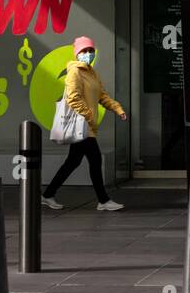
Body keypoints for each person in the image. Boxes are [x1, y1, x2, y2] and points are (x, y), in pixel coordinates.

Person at [41, 36, 128, 211]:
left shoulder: (91, 73)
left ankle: (48, 194)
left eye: (90, 51)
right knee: (94, 160)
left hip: (86, 126)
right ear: (77, 53)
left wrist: (117, 108)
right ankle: (103, 201)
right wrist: (88, 115)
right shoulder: (75, 72)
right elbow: (73, 98)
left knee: (73, 162)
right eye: (84, 51)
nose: (88, 54)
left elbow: (102, 96)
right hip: (82, 125)